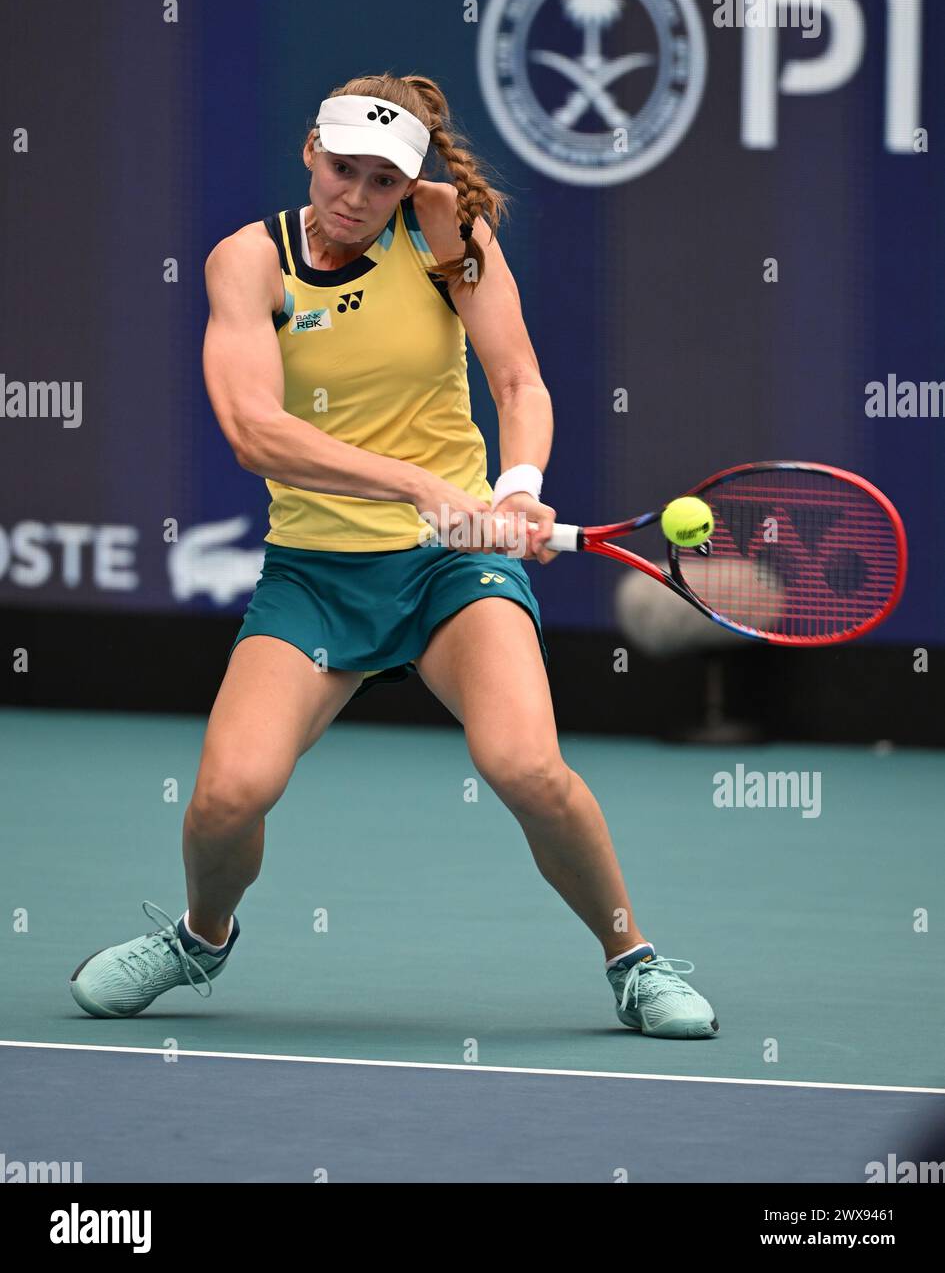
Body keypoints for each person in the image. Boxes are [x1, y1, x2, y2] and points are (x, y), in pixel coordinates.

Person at [70, 72, 718, 1040]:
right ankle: (201, 939)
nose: (357, 197)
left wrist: (518, 487)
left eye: (382, 181)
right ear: (308, 152)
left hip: (453, 569)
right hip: (319, 574)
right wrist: (421, 487)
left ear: (409, 183)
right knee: (226, 796)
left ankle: (634, 960)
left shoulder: (446, 233)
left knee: (527, 767)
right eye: (342, 170)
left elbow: (518, 378)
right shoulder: (249, 262)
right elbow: (254, 431)